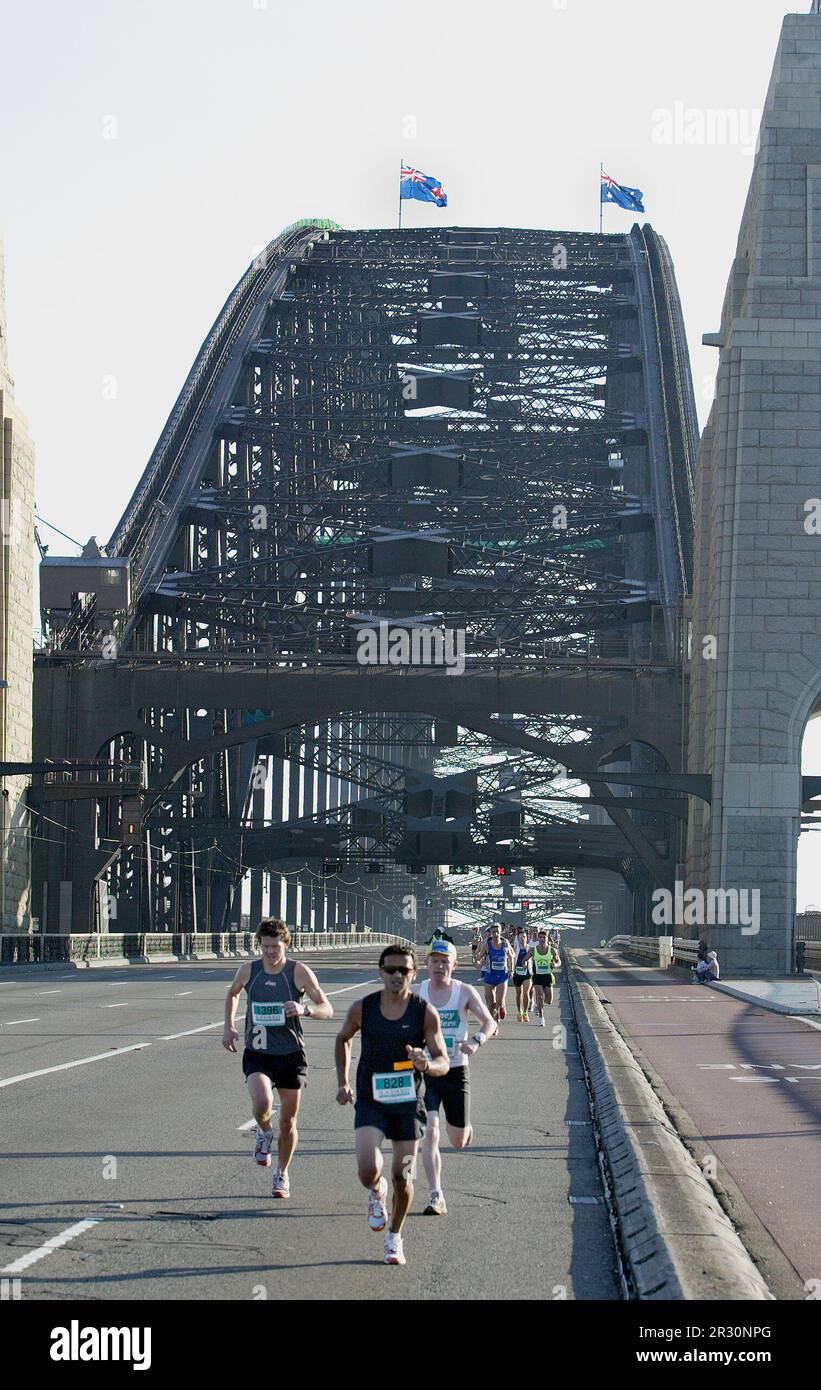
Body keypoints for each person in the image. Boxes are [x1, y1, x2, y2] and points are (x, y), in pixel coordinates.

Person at [335, 943, 449, 1266]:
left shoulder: (424, 1012)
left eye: (404, 970)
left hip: (407, 1105)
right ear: (380, 973)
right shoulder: (363, 1008)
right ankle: (375, 1190)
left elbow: (443, 1060)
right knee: (368, 1169)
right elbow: (342, 1038)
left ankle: (395, 1237)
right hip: (371, 1100)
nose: (397, 975)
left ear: (414, 974)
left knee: (404, 1176)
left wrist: (426, 1064)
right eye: (391, 970)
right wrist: (343, 1081)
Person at [223, 918, 333, 1198]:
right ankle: (263, 1131)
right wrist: (229, 1026)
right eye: (266, 946)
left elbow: (327, 1008)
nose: (271, 952)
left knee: (288, 1121)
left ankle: (282, 1174)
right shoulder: (249, 970)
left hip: (291, 1054)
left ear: (286, 943)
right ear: (260, 945)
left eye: (276, 946)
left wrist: (304, 1009)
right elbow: (233, 993)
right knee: (262, 1104)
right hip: (258, 1052)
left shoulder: (298, 972)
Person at [415, 939, 495, 1215]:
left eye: (444, 961)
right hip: (428, 1071)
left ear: (454, 965)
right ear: (426, 964)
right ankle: (436, 1195)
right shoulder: (418, 993)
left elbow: (489, 1022)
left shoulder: (464, 992)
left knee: (458, 1140)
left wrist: (476, 1040)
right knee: (431, 1131)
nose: (439, 966)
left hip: (456, 1069)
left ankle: (465, 1127)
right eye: (434, 961)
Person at [475, 922, 514, 1022]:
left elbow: (510, 957)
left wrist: (511, 970)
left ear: (501, 932)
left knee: (499, 1001)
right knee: (490, 1004)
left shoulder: (505, 943)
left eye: (497, 932)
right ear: (490, 933)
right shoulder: (487, 944)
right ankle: (494, 1022)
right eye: (493, 932)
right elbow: (480, 957)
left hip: (502, 975)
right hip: (490, 974)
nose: (495, 934)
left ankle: (501, 1007)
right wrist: (478, 962)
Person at [526, 928, 559, 1027]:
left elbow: (558, 961)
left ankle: (538, 1003)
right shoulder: (533, 950)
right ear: (538, 939)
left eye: (544, 937)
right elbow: (525, 959)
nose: (541, 939)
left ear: (547, 938)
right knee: (539, 996)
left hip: (548, 976)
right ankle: (541, 1019)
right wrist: (524, 964)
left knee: (549, 1001)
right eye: (540, 937)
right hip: (537, 976)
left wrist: (555, 964)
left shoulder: (552, 950)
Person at [511, 927, 533, 1022]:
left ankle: (525, 1012)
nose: (522, 938)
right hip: (517, 973)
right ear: (518, 938)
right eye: (520, 937)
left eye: (524, 937)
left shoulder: (530, 949)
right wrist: (510, 969)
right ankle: (519, 1011)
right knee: (519, 993)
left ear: (527, 937)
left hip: (527, 973)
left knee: (526, 993)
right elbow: (510, 959)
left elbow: (535, 960)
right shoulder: (515, 948)